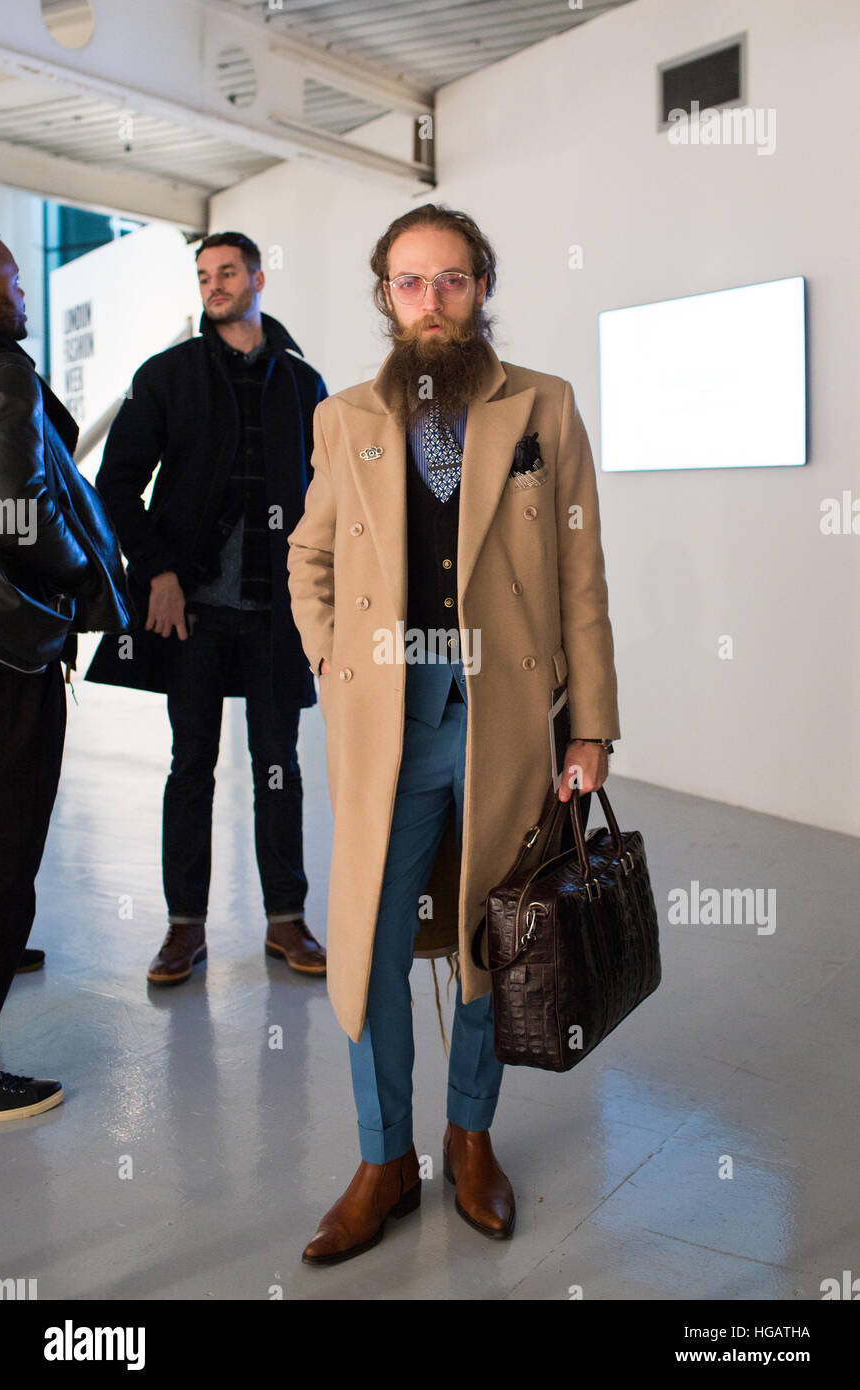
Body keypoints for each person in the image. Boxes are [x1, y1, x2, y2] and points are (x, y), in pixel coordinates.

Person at [287, 203, 620, 1263]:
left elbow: (580, 576)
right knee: (370, 948)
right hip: (386, 725)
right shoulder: (342, 417)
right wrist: (331, 663)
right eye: (409, 281)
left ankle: (469, 1137)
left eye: (451, 279)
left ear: (481, 287)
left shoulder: (543, 406)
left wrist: (591, 727)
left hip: (505, 722)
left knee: (492, 941)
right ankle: (383, 1158)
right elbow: (311, 556)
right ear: (384, 296)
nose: (430, 301)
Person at [85, 232, 328, 985]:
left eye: (226, 272)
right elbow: (115, 486)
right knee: (190, 766)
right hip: (190, 611)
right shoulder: (166, 375)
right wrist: (156, 570)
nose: (213, 285)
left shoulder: (302, 381)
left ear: (257, 277)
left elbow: (327, 499)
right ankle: (184, 928)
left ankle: (286, 920)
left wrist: (325, 603)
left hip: (276, 614)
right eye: (203, 275)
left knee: (279, 767)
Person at [0, 232, 131, 1121]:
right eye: (9, 277)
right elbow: (15, 508)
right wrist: (85, 576)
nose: (19, 291)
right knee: (7, 850)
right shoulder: (1, 369)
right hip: (8, 651)